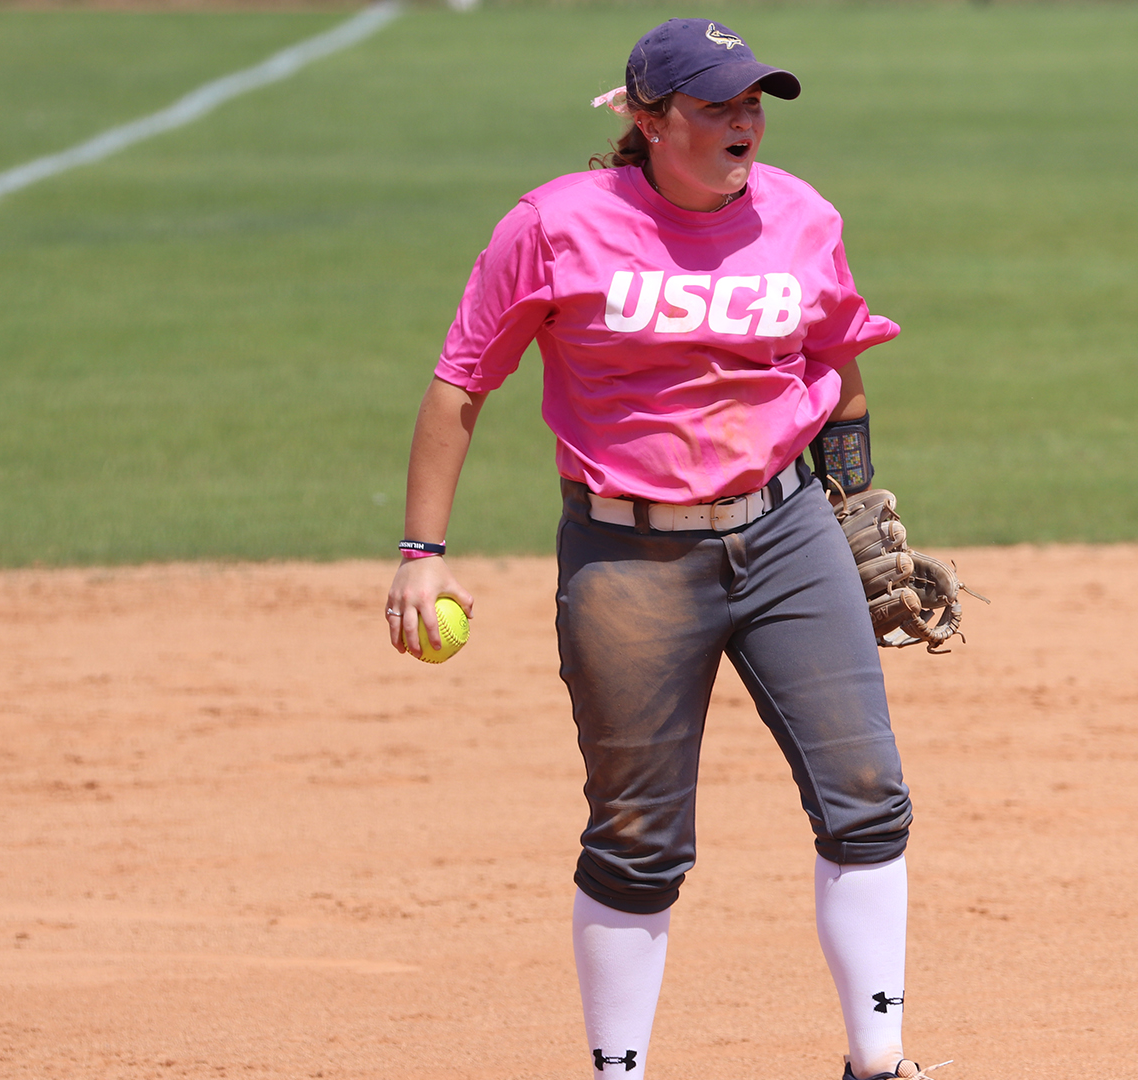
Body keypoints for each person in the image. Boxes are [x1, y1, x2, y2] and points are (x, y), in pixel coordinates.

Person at [384, 19, 942, 1080]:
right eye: (717, 105)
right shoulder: (554, 227)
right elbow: (462, 382)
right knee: (638, 841)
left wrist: (856, 509)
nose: (746, 122)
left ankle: (879, 1060)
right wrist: (424, 550)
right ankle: (620, 1073)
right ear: (647, 122)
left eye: (755, 103)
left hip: (788, 535)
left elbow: (838, 364)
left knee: (868, 795)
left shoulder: (802, 216)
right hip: (628, 558)